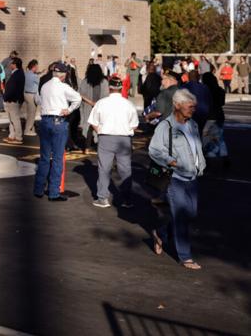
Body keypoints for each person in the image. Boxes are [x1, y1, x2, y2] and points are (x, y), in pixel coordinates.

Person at [149, 89, 206, 270]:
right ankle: (185, 257)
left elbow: (196, 147)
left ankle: (160, 232)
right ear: (177, 105)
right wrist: (171, 161)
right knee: (181, 216)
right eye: (190, 107)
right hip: (175, 178)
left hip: (193, 176)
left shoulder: (193, 124)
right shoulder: (166, 126)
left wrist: (201, 164)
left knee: (191, 213)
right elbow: (155, 150)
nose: (193, 110)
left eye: (194, 107)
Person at [33, 62, 82, 201]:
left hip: (44, 121)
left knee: (44, 157)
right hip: (58, 121)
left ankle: (38, 189)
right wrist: (69, 110)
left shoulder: (45, 85)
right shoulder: (63, 86)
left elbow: (38, 100)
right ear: (63, 74)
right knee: (58, 158)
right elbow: (77, 98)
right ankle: (54, 192)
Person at [88, 75, 139, 208]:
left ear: (109, 88)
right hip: (124, 139)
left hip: (106, 137)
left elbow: (93, 122)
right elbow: (134, 125)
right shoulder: (128, 104)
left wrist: (99, 130)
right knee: (125, 170)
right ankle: (126, 199)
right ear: (121, 88)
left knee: (104, 168)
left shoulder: (101, 103)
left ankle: (102, 198)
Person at [78, 61, 109, 153]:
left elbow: (80, 94)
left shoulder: (85, 81)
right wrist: (97, 104)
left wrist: (91, 102)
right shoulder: (104, 82)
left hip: (88, 106)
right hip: (100, 107)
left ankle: (87, 147)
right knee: (99, 125)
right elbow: (106, 96)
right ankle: (100, 146)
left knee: (88, 127)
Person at [3, 57, 26, 144]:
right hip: (12, 99)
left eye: (12, 63)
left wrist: (6, 97)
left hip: (13, 100)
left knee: (15, 119)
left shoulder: (18, 74)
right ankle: (12, 136)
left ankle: (18, 137)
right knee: (11, 119)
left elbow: (13, 89)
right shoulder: (17, 73)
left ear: (15, 65)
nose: (10, 65)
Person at [24, 60, 40, 136]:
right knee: (32, 114)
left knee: (29, 113)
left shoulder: (26, 74)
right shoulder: (34, 76)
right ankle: (27, 130)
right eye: (37, 66)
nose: (37, 68)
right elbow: (40, 83)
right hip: (32, 95)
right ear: (34, 67)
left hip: (25, 94)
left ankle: (31, 128)